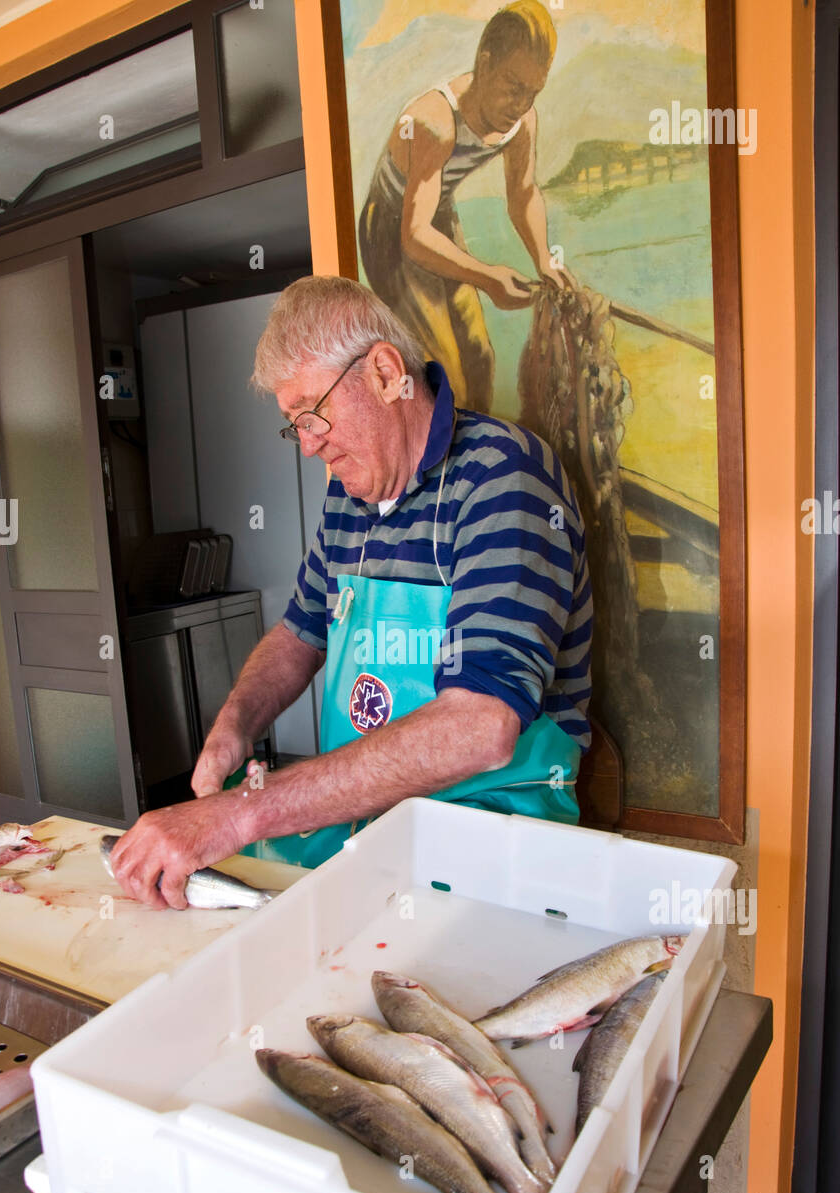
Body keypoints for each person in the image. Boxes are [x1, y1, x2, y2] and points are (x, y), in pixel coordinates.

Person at [109, 276, 592, 909]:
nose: (308, 446)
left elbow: (481, 727)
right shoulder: (352, 495)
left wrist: (241, 813)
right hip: (367, 822)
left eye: (313, 413)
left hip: (488, 827)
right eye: (294, 425)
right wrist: (235, 724)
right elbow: (299, 632)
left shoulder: (504, 478)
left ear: (387, 372)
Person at [359, 0, 572, 413]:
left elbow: (524, 193)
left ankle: (481, 460)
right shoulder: (434, 121)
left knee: (479, 359)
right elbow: (414, 236)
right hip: (389, 229)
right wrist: (489, 278)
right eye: (514, 86)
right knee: (447, 376)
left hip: (435, 218)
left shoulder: (522, 122)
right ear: (485, 62)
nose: (521, 104)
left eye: (533, 92)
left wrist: (544, 258)